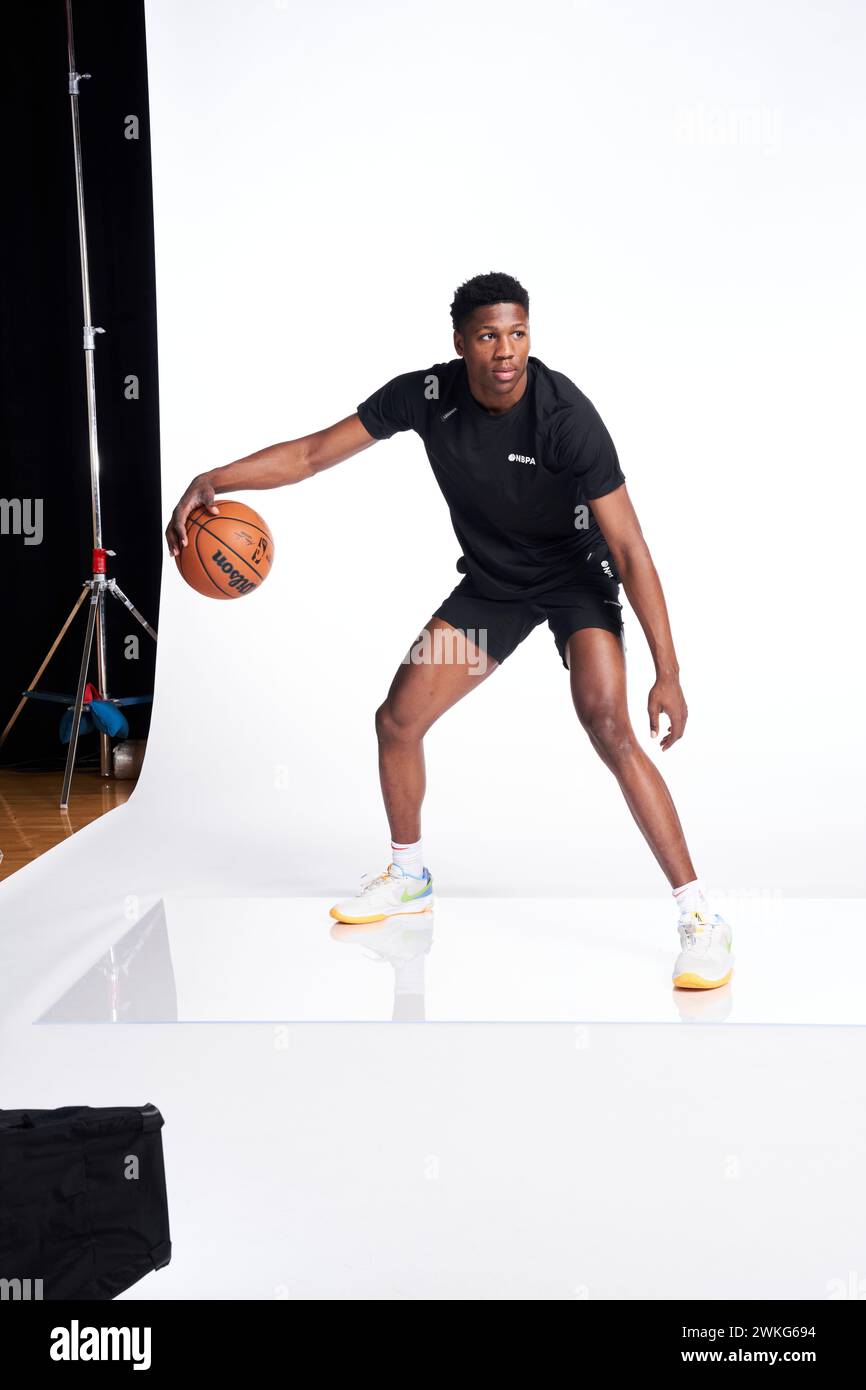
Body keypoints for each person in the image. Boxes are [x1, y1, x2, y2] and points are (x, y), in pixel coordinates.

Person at [166, 271, 733, 991]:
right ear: (461, 342)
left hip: (574, 581)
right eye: (490, 335)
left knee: (609, 726)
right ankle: (409, 877)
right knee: (397, 720)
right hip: (494, 589)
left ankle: (700, 920)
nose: (506, 351)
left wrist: (670, 671)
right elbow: (312, 455)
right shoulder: (427, 396)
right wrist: (214, 479)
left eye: (518, 333)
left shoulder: (566, 416)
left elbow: (629, 549)